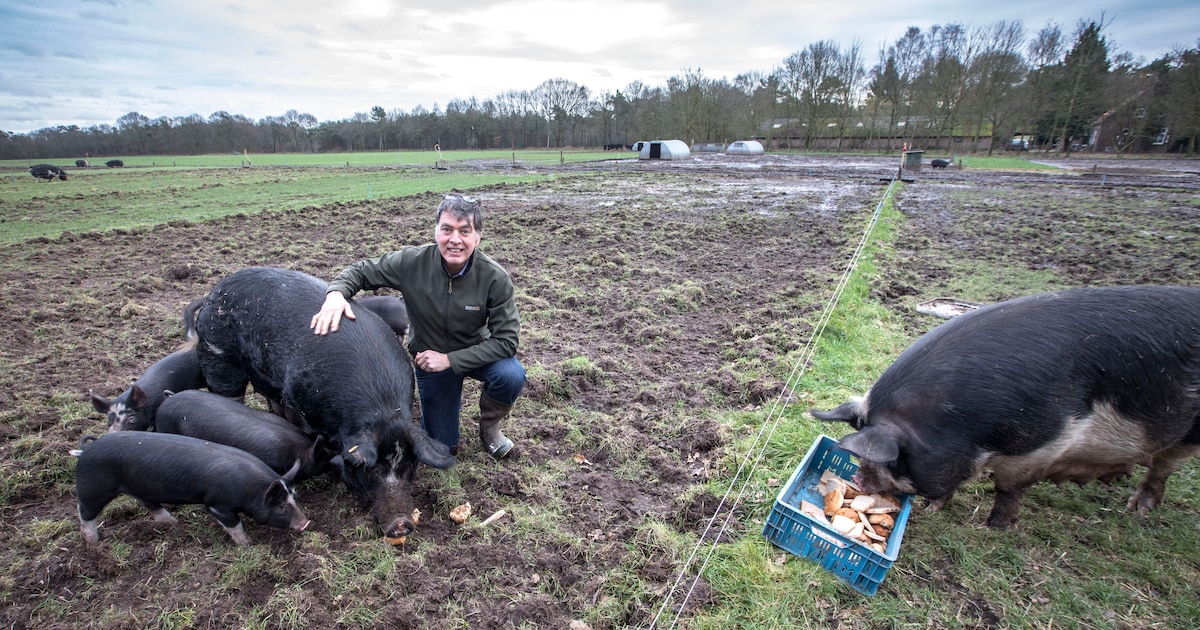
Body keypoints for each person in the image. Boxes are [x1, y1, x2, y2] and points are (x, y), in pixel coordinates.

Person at [310, 193, 525, 458]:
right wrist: (335, 294)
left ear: (477, 236)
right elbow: (361, 270)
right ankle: (441, 419)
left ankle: (490, 428)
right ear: (436, 232)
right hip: (429, 360)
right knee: (442, 449)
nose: (455, 240)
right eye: (447, 229)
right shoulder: (412, 262)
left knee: (511, 374)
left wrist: (450, 359)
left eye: (464, 231)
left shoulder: (494, 277)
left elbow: (507, 341)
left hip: (474, 352)